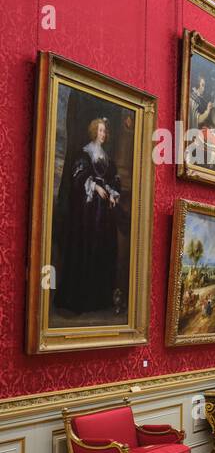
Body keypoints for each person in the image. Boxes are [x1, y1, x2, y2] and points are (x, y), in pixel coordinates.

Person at [56, 117, 122, 317]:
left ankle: (98, 299)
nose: (102, 134)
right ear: (94, 132)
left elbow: (113, 179)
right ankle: (81, 299)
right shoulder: (84, 154)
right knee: (86, 246)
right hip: (88, 210)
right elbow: (79, 176)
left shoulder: (106, 158)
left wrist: (111, 193)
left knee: (102, 248)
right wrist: (95, 186)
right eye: (100, 131)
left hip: (103, 213)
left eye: (104, 131)